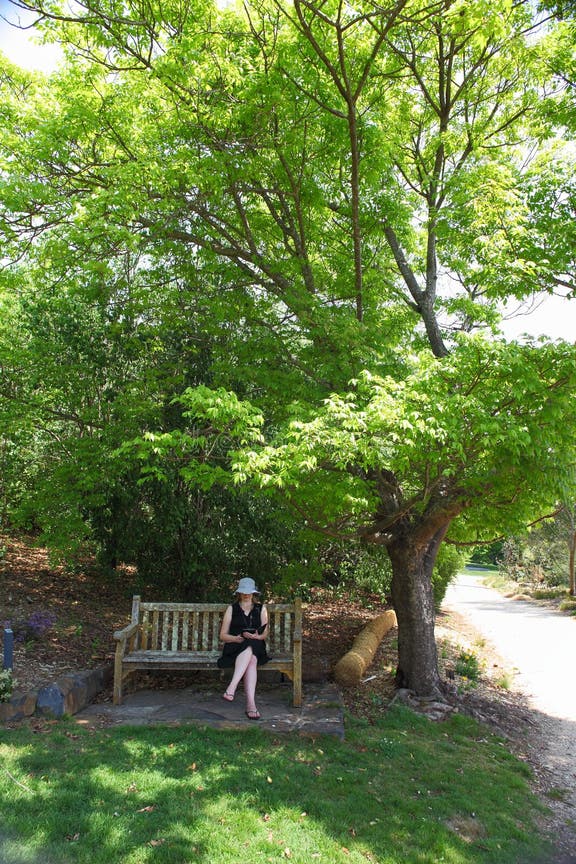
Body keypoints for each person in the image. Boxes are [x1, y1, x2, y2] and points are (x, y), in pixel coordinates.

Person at [217, 577, 270, 720]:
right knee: (251, 658)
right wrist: (236, 637)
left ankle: (231, 688)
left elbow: (265, 633)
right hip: (235, 645)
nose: (246, 595)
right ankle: (251, 705)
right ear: (239, 593)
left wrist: (257, 637)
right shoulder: (231, 608)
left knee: (251, 649)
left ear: (253, 593)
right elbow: (223, 635)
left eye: (249, 592)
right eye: (243, 592)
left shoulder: (261, 608)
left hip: (256, 644)